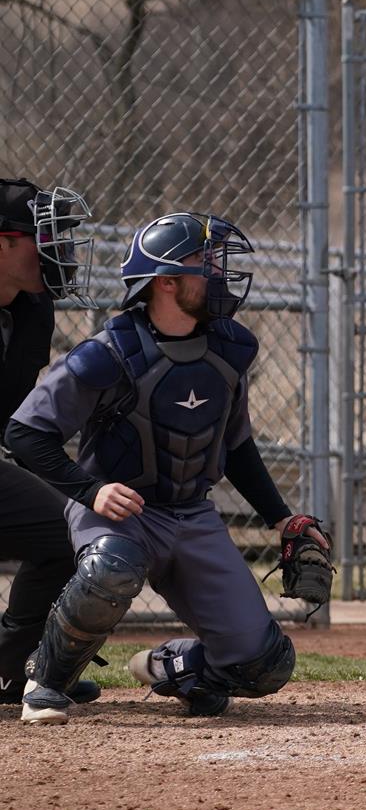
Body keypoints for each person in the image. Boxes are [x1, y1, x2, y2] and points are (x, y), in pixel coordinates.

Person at [6, 213, 324, 722]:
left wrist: (279, 517)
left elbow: (237, 445)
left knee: (265, 665)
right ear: (166, 282)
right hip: (119, 511)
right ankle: (46, 680)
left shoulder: (230, 349)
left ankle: (173, 668)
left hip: (192, 515)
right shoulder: (108, 355)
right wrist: (89, 491)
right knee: (109, 569)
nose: (219, 275)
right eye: (205, 263)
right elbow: (24, 433)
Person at [0, 179, 99, 707]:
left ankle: (9, 667)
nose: (59, 251)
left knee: (65, 527)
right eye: (42, 237)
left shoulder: (33, 309)